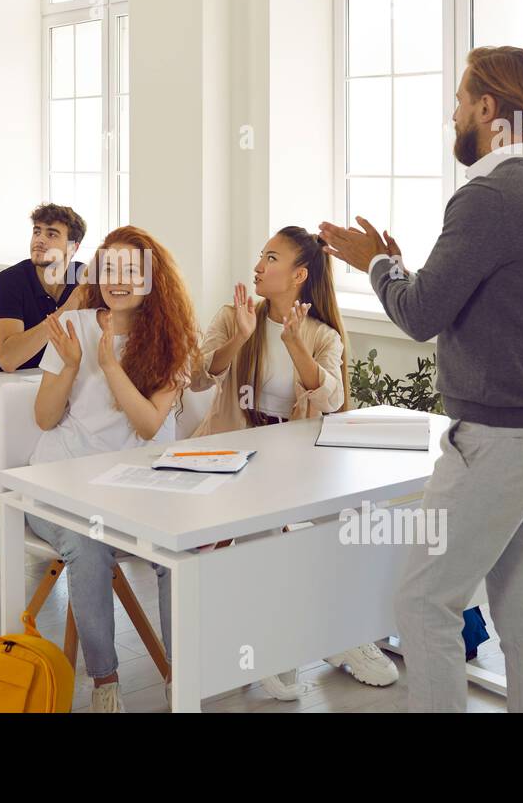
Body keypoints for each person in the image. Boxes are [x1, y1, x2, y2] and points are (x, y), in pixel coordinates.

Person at [319, 45, 523, 712]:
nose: (454, 114)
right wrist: (397, 267)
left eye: (460, 102)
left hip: (502, 438)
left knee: (424, 599)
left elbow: (418, 315)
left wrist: (376, 263)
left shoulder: (487, 197)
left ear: (487, 108)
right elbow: (465, 299)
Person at [191, 226, 399, 694]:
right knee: (268, 533)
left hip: (293, 461)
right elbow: (199, 379)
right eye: (261, 255)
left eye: (271, 258)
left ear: (299, 274)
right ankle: (276, 642)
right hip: (230, 456)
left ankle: (343, 633)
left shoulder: (321, 334)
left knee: (355, 518)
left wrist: (295, 346)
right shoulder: (233, 315)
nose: (258, 266)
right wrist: (240, 338)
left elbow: (330, 397)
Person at [28, 226, 199, 712]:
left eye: (130, 270)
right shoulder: (73, 326)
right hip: (58, 485)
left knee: (176, 552)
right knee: (87, 547)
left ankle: (181, 674)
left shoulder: (173, 342)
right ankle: (106, 679)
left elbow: (147, 426)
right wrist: (69, 367)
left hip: (135, 490)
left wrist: (109, 367)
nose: (117, 280)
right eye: (108, 270)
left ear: (153, 279)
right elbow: (43, 418)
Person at [0, 204, 87, 373]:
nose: (40, 240)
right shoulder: (10, 280)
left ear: (72, 248)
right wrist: (67, 308)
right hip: (9, 386)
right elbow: (8, 360)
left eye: (51, 234)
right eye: (37, 232)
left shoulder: (81, 276)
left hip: (63, 384)